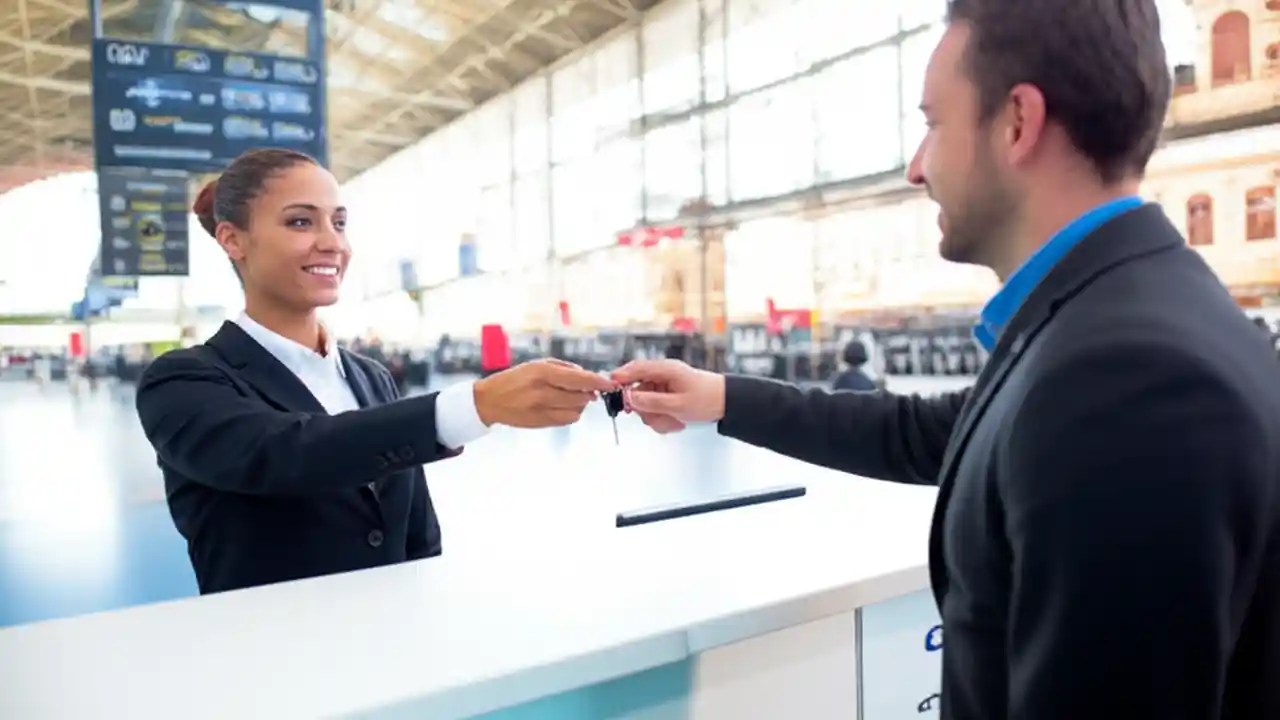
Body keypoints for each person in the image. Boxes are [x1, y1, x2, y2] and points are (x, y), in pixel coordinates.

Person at [611, 2, 1280, 718]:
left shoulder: (1127, 382)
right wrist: (721, 398)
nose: (916, 168)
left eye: (933, 123)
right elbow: (931, 434)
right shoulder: (1112, 317)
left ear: (1017, 122)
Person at [135, 148, 616, 595]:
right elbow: (284, 453)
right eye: (301, 222)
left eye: (339, 223)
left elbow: (416, 532)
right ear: (233, 239)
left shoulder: (370, 378)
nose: (331, 243)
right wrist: (477, 405)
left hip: (394, 651)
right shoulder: (183, 381)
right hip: (271, 661)